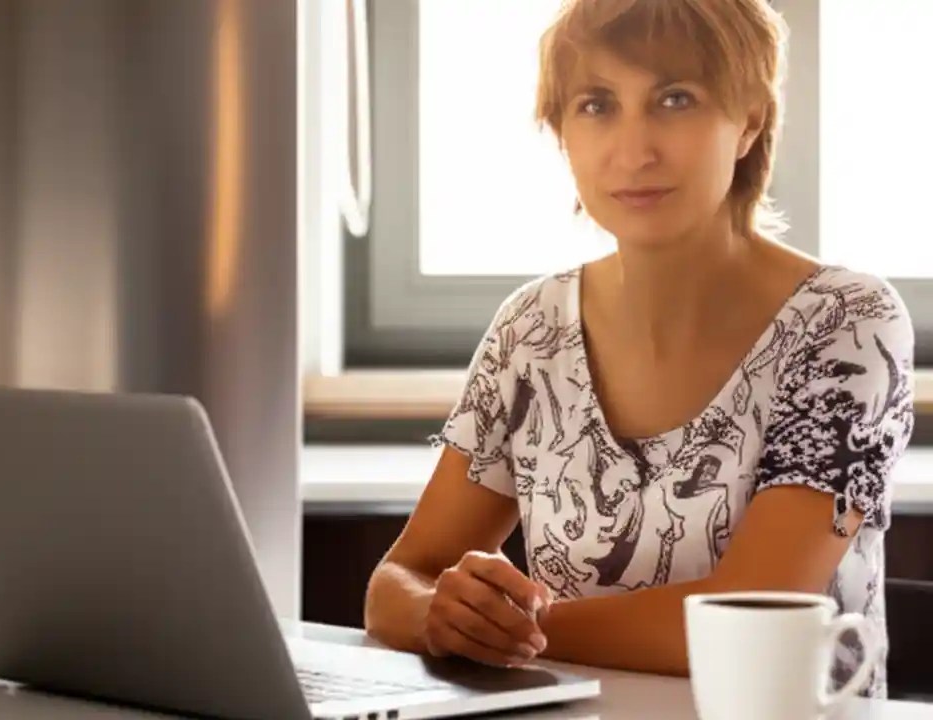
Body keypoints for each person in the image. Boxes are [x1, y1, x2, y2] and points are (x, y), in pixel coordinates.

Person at [362, 0, 914, 699]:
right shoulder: (529, 330)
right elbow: (399, 580)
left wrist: (512, 629)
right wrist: (438, 615)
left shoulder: (848, 323)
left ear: (750, 118)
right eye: (596, 105)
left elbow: (750, 613)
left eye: (675, 99)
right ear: (561, 131)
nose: (634, 150)